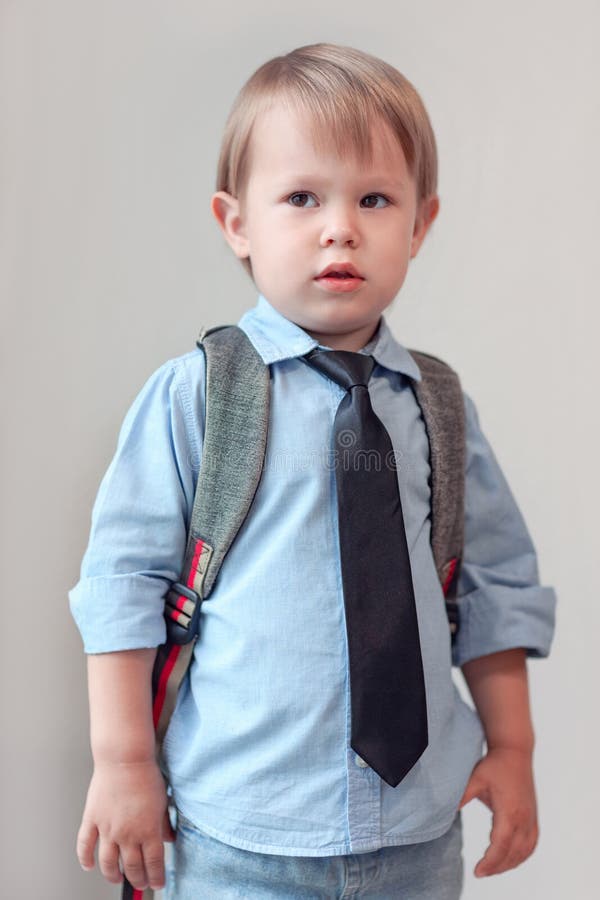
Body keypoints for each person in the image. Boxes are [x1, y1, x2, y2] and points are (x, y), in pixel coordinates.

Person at [70, 42, 557, 899]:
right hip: (237, 833)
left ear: (420, 224)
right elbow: (123, 585)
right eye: (301, 197)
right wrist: (122, 765)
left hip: (417, 833)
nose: (340, 226)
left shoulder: (436, 405)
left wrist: (512, 747)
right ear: (237, 223)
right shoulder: (198, 396)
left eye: (375, 198)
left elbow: (493, 587)